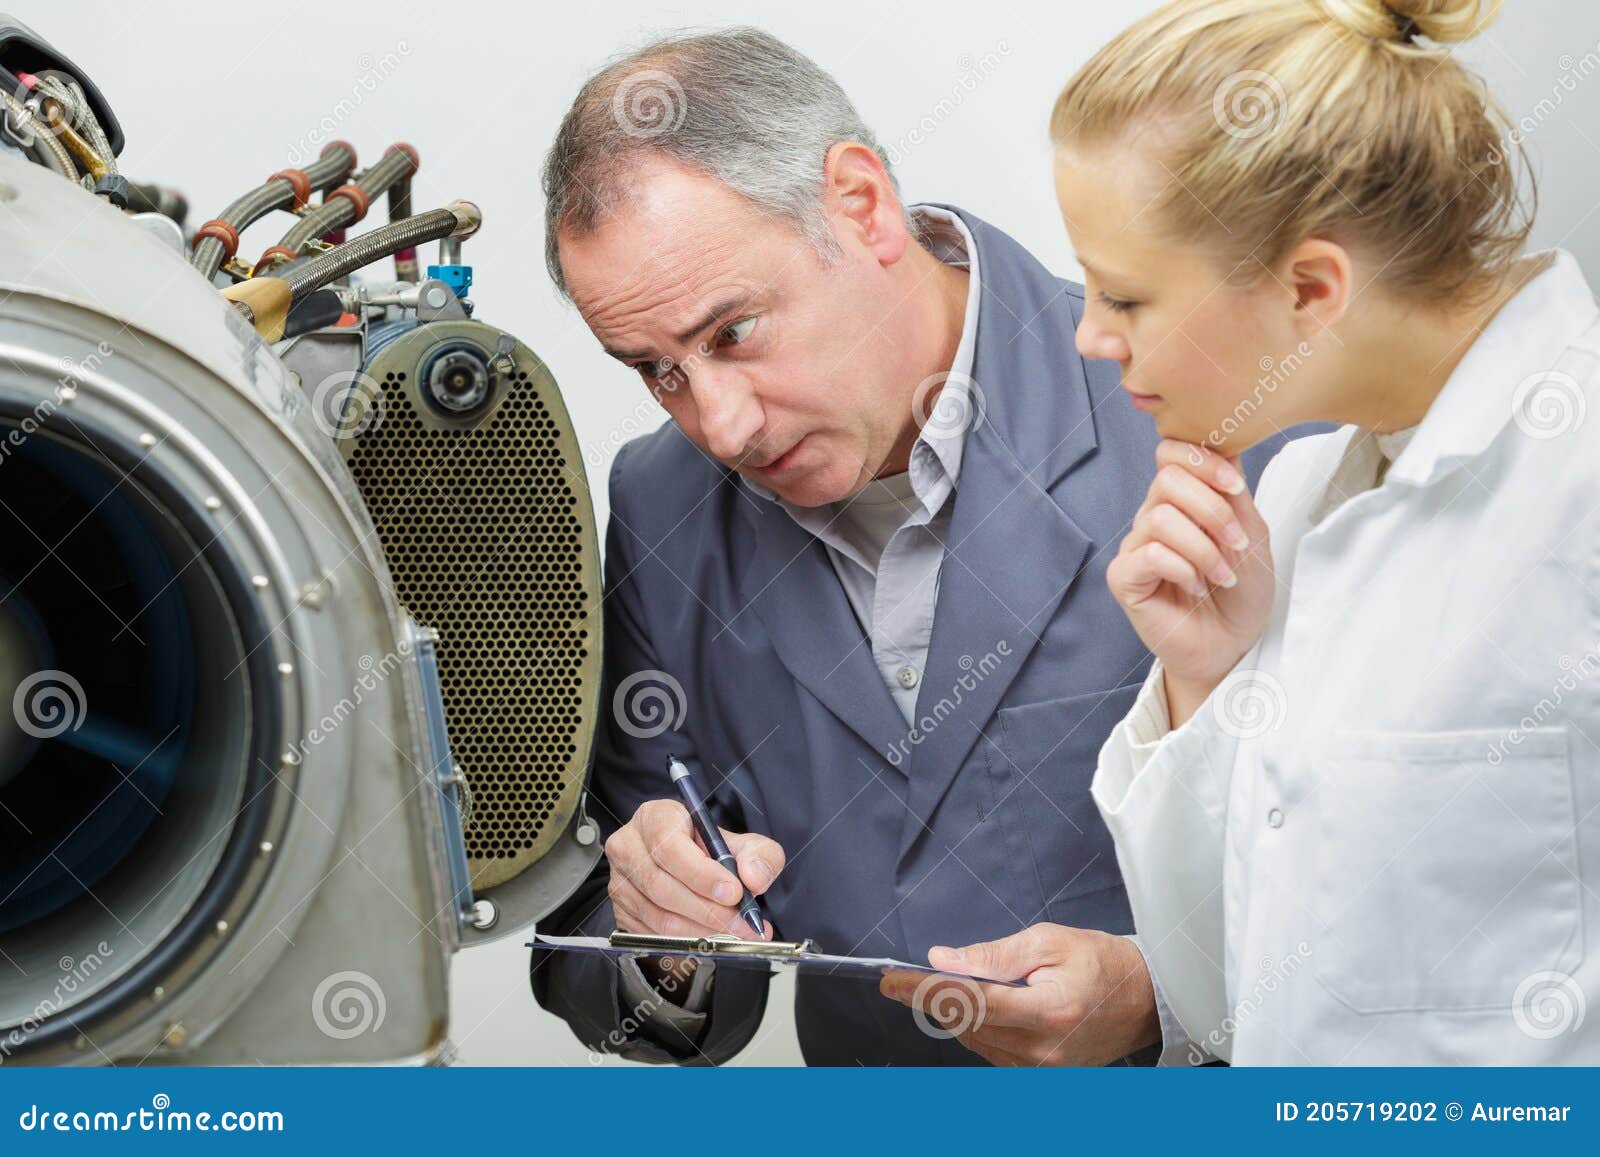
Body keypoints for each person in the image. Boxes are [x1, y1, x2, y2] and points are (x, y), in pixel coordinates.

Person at [529, 27, 1321, 1065]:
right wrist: (664, 937)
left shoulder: (1239, 417)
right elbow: (593, 916)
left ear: (862, 206)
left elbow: (1420, 885)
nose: (721, 427)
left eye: (734, 333)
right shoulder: (660, 500)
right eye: (655, 369)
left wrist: (1161, 996)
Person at [890, 0, 1600, 1064]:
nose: (1089, 337)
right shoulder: (1299, 494)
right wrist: (1206, 682)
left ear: (1311, 289)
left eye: (1125, 297)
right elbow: (1229, 995)